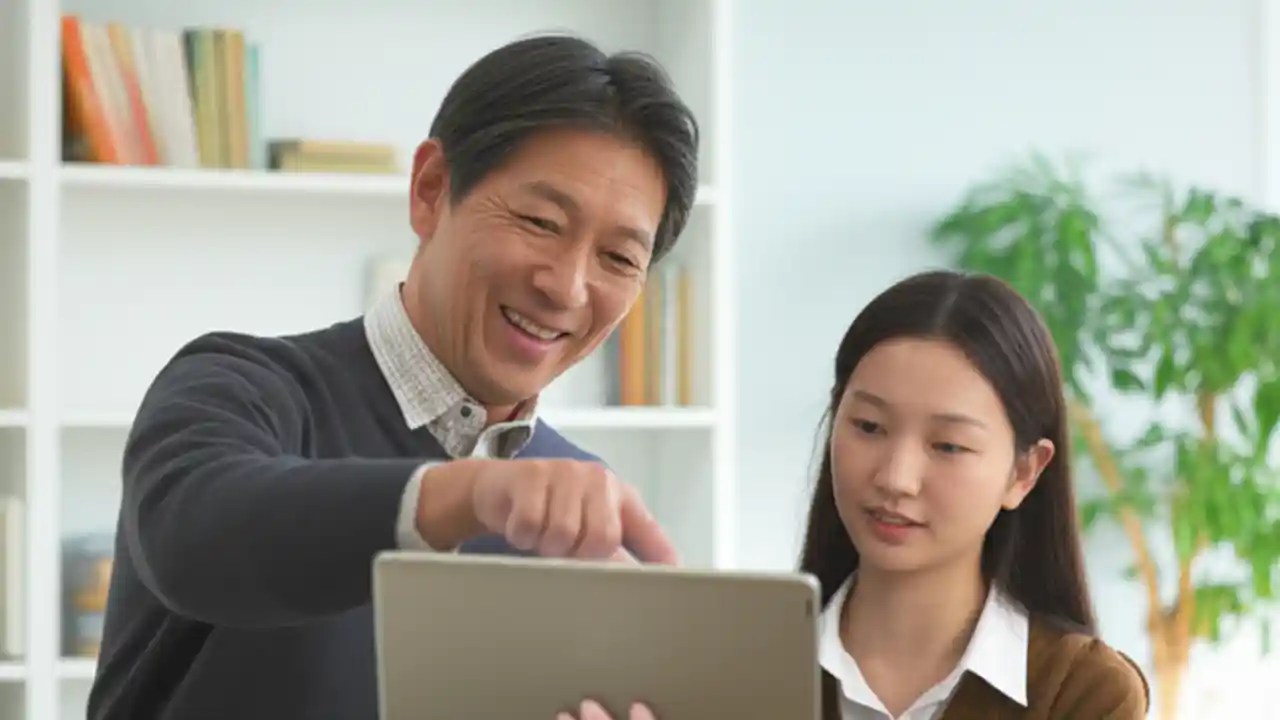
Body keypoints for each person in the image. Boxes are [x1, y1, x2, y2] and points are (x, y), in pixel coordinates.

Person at [86, 33, 698, 720]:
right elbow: (191, 540)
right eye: (539, 221)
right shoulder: (242, 387)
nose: (568, 287)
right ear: (431, 190)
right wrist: (465, 496)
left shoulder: (580, 507)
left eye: (618, 258)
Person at [562, 270, 1149, 720]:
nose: (895, 477)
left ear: (1025, 472)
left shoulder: (1082, 694)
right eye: (868, 427)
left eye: (947, 446)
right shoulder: (735, 672)